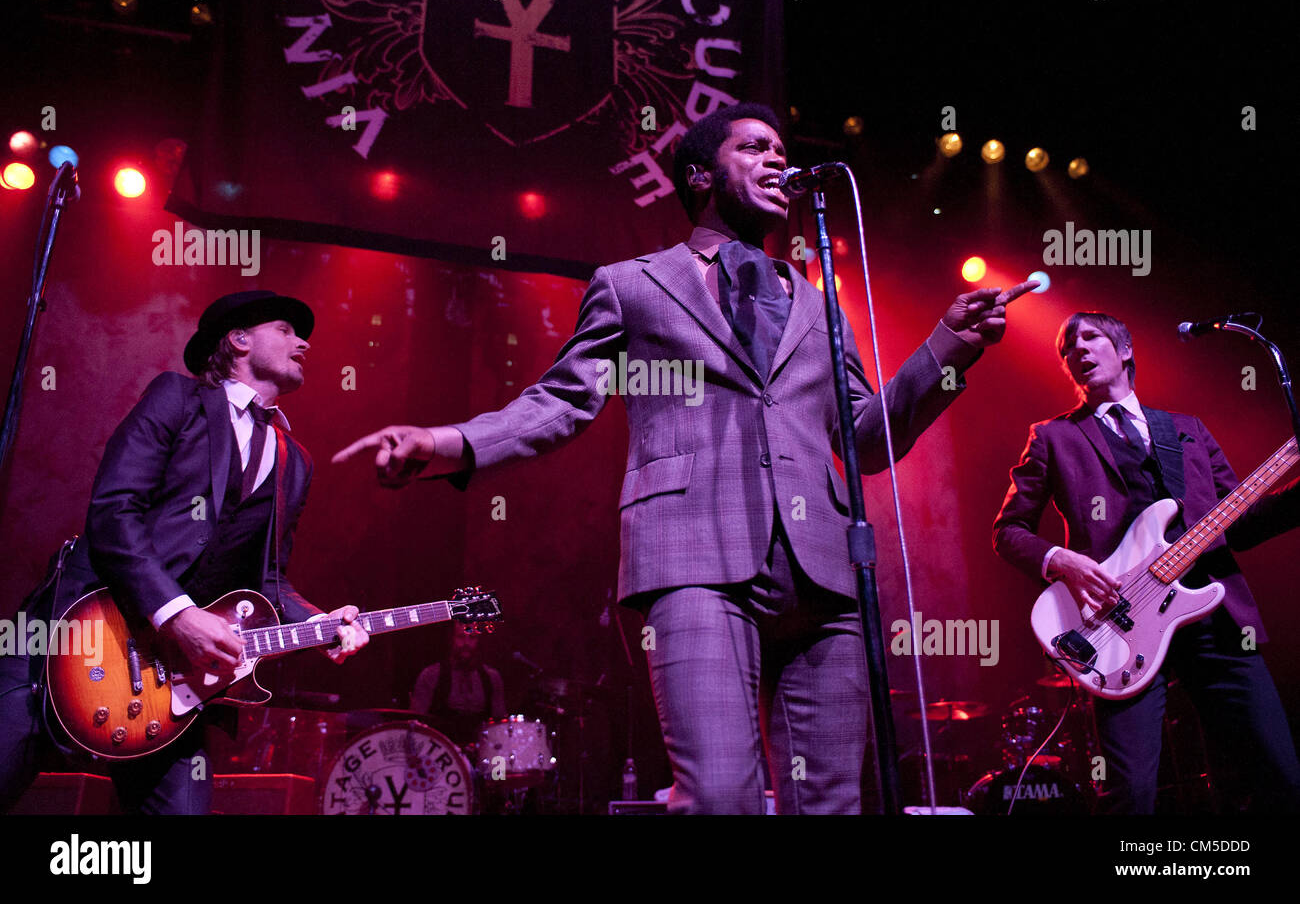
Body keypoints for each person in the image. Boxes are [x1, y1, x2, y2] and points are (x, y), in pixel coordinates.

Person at [334, 103, 1034, 813]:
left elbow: (866, 441)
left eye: (780, 150)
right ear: (700, 175)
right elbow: (562, 402)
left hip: (823, 569)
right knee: (721, 795)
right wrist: (447, 442)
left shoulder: (819, 306)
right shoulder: (632, 285)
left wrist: (948, 345)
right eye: (753, 148)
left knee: (830, 800)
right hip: (691, 557)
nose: (774, 162)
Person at [0, 290, 369, 814]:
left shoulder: (296, 461)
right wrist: (177, 614)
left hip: (171, 682)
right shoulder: (177, 398)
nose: (303, 342)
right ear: (239, 340)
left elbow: (269, 581)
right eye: (286, 329)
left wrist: (320, 621)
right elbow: (114, 510)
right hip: (78, 636)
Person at [993, 311, 1300, 812]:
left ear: (1126, 350)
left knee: (1279, 774)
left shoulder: (1187, 430)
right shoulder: (1054, 437)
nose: (1078, 350)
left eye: (1090, 338)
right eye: (1068, 347)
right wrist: (1061, 559)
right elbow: (1007, 531)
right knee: (1131, 794)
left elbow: (1239, 523)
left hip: (1216, 620)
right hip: (1119, 626)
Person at [410, 626, 506, 743]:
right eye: (461, 637)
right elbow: (416, 723)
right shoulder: (431, 675)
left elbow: (500, 725)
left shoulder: (491, 677)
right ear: (452, 639)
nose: (466, 643)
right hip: (441, 751)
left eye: (472, 638)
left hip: (480, 751)